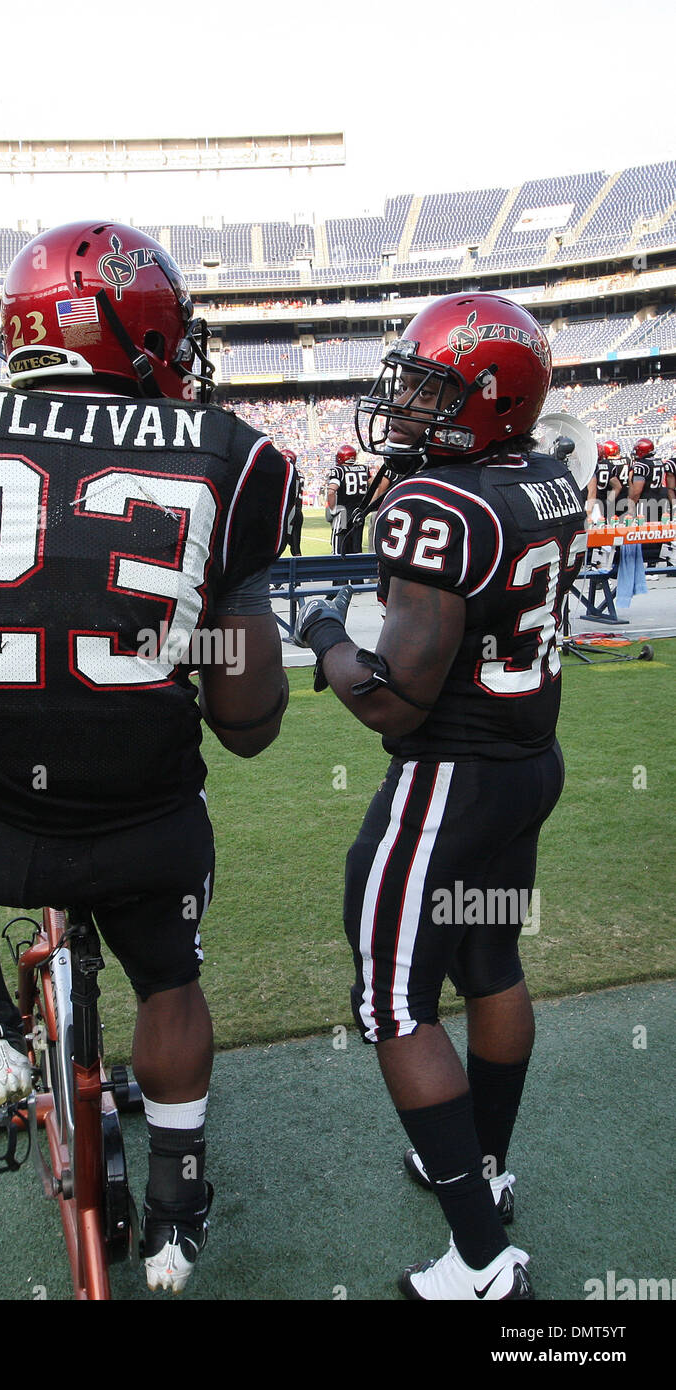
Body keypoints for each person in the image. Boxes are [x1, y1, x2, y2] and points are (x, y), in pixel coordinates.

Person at [0, 220, 295, 1296]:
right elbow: (246, 722)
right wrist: (216, 617)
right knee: (171, 977)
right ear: (138, 333)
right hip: (147, 827)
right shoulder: (227, 459)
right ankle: (179, 1203)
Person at [295, 292, 586, 1300]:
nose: (407, 405)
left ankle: (480, 1258)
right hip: (525, 767)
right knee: (491, 960)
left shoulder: (436, 505)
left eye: (430, 387)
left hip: (446, 780)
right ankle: (481, 1168)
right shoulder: (546, 478)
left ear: (488, 397)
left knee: (390, 998)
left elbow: (391, 700)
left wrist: (324, 636)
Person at [325, 443, 369, 554]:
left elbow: (331, 491)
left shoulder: (339, 470)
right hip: (359, 512)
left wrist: (333, 509)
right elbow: (374, 485)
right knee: (356, 548)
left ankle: (338, 570)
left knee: (338, 549)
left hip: (343, 512)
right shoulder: (364, 469)